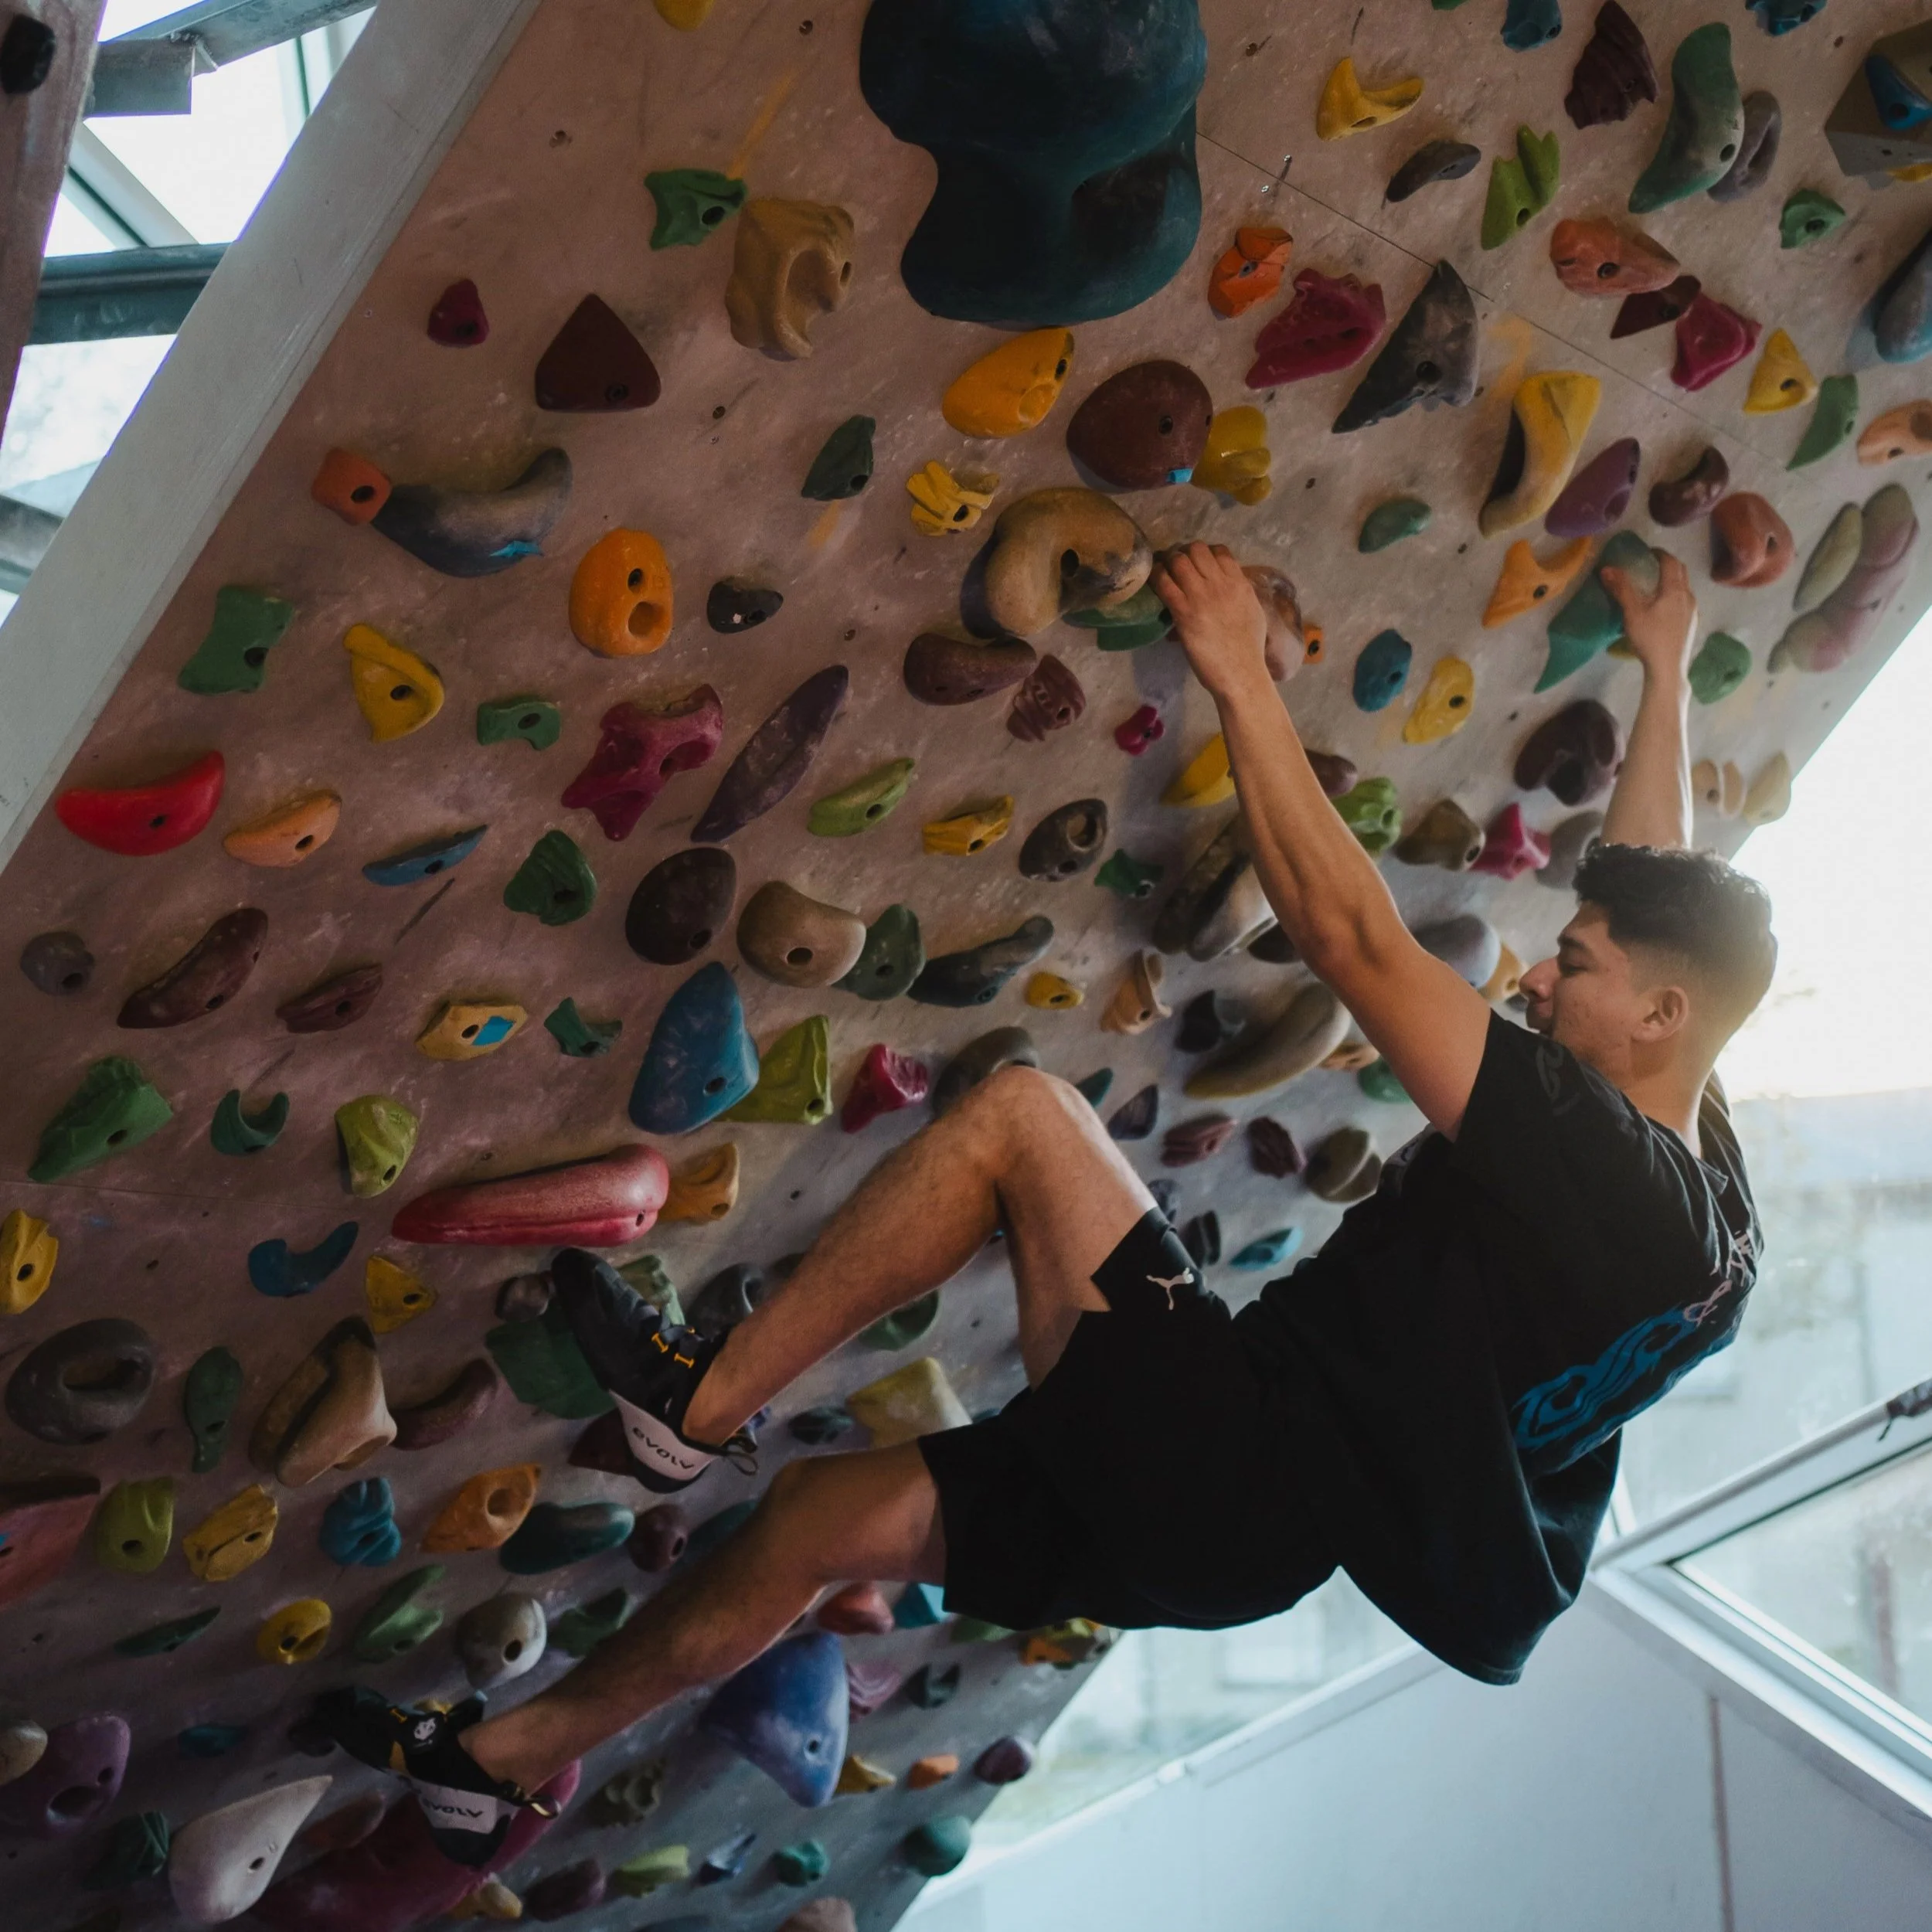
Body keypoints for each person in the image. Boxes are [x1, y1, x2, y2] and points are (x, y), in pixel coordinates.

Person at [316, 543, 1775, 1866]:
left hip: (1239, 1458)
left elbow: (1349, 936)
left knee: (1024, 1119)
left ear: (1653, 1013)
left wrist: (1232, 676)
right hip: (1237, 1531)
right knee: (824, 1518)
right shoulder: (1707, 1209)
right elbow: (1662, 895)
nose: (1535, 975)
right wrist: (1666, 663)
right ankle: (491, 1767)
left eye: (1567, 965)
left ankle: (693, 1410)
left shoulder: (1612, 1166)